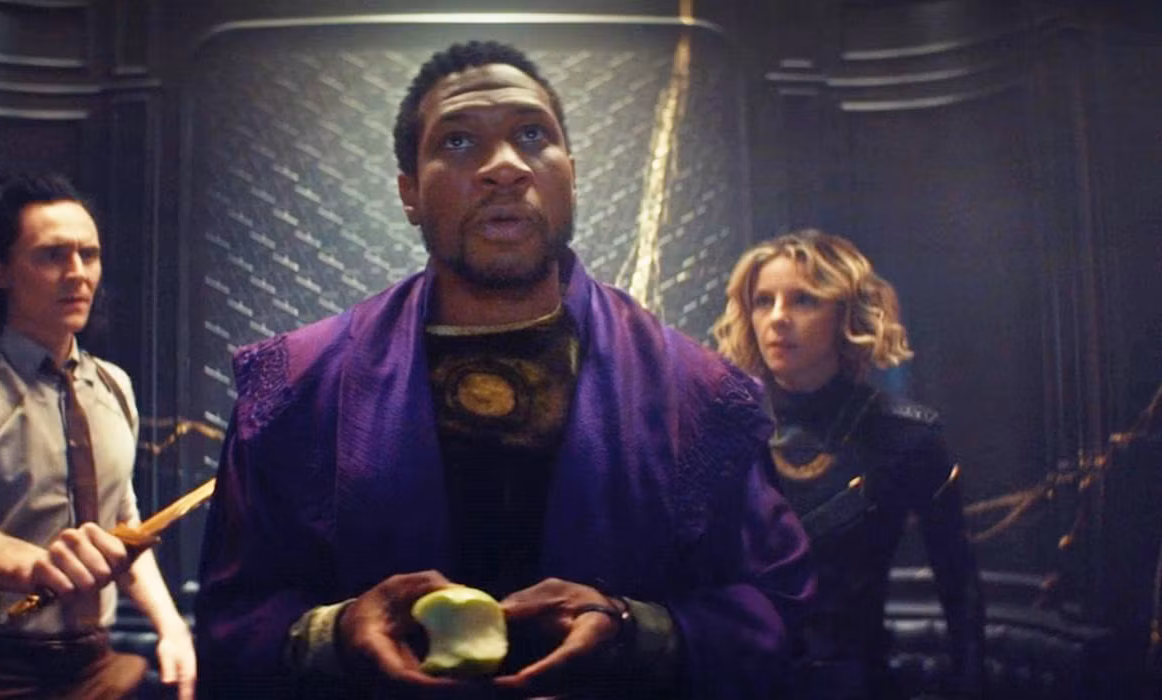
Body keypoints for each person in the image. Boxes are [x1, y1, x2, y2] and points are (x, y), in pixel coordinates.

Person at [194, 40, 815, 699]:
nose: (505, 167)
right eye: (459, 141)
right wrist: (336, 633)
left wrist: (635, 631)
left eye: (532, 135)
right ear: (409, 192)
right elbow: (231, 625)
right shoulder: (299, 386)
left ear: (571, 175)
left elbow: (780, 615)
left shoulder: (699, 392)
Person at [0, 173, 196, 699]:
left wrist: (170, 628)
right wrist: (36, 566)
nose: (77, 273)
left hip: (94, 667)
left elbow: (123, 528)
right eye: (52, 255)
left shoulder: (114, 386)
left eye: (88, 255)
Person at [712, 229, 986, 700]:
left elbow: (960, 590)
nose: (778, 318)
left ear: (845, 314)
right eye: (763, 301)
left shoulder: (907, 436)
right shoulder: (723, 429)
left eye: (803, 299)